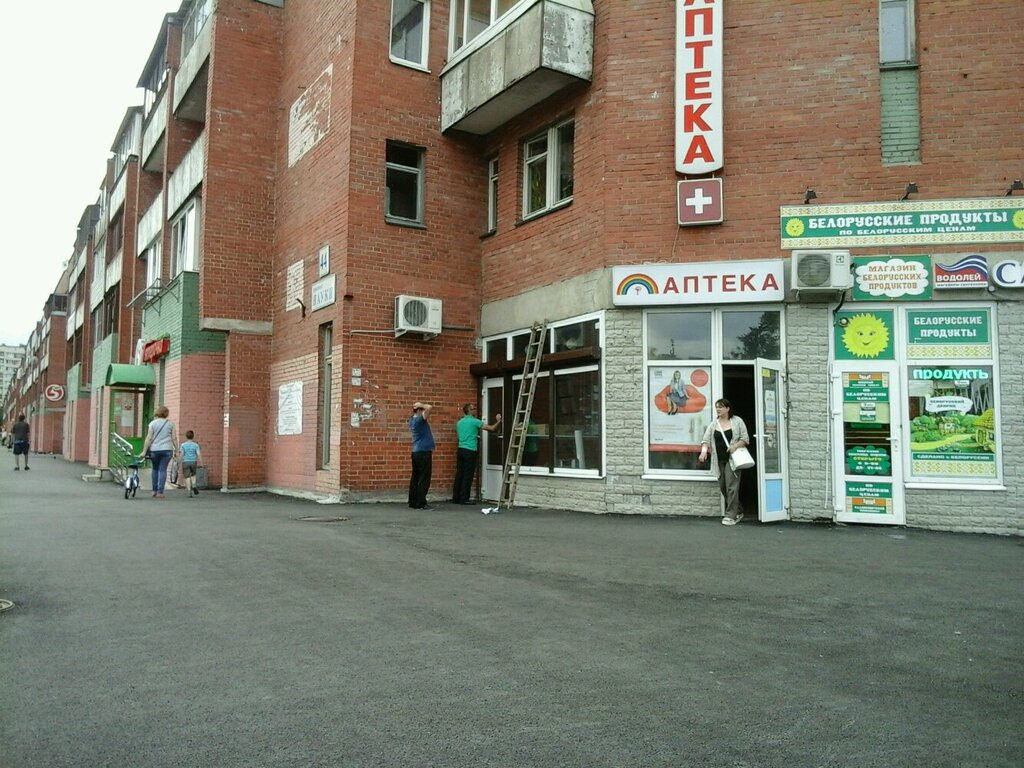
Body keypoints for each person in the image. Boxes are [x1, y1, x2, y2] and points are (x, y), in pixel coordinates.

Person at [698, 398, 751, 525]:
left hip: (733, 460)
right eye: (717, 407)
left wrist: (734, 446)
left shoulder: (737, 421)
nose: (718, 409)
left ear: (728, 408)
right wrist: (704, 451)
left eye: (721, 407)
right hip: (718, 460)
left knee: (731, 487)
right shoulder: (714, 424)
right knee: (723, 487)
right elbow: (705, 440)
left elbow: (745, 439)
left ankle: (731, 515)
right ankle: (738, 510)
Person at [451, 404, 501, 504]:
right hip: (470, 450)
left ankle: (456, 497)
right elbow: (491, 429)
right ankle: (464, 498)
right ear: (470, 410)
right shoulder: (475, 421)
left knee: (459, 473)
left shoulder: (459, 423)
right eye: (474, 409)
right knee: (468, 475)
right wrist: (499, 421)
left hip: (461, 449)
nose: (475, 410)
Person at [139, 405, 179, 498]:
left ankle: (154, 490)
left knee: (155, 469)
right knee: (163, 470)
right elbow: (174, 438)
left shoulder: (152, 424)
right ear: (166, 414)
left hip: (155, 450)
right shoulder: (171, 424)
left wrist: (144, 451)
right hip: (167, 450)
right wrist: (177, 450)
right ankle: (160, 492)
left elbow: (149, 438)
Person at [408, 401, 435, 510]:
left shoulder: (411, 420)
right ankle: (421, 503)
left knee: (415, 477)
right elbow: (429, 408)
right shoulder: (419, 419)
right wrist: (421, 405)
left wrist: (418, 406)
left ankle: (413, 501)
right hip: (423, 451)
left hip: (416, 452)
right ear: (419, 410)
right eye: (421, 409)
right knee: (424, 478)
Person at [179, 430, 203, 497]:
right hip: (193, 461)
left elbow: (182, 454)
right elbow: (198, 454)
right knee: (193, 475)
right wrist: (201, 462)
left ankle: (189, 492)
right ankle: (194, 486)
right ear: (193, 436)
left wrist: (178, 461)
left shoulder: (183, 445)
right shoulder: (196, 445)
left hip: (185, 462)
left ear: (186, 436)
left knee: (187, 477)